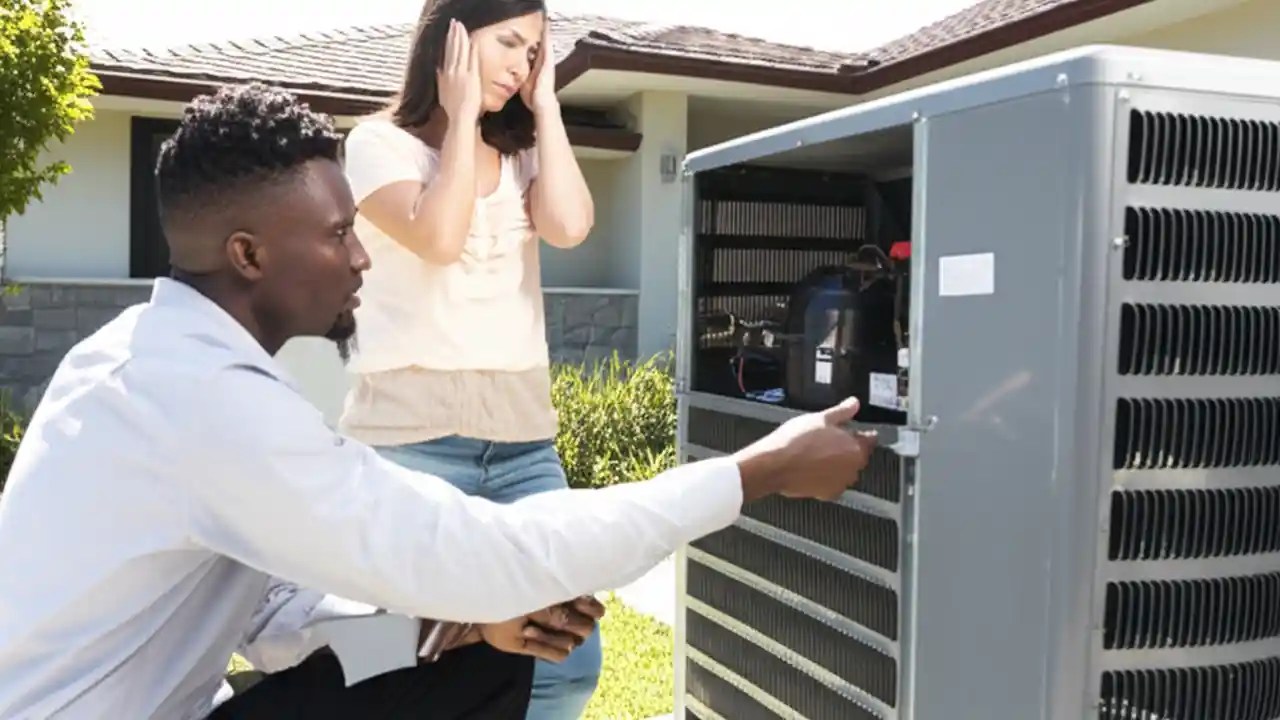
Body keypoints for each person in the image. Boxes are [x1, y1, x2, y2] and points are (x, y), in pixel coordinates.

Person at [0, 83, 878, 720]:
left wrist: (454, 625)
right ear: (248, 254)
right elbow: (492, 551)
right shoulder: (195, 400)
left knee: (468, 662)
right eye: (340, 233)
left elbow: (272, 620)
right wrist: (761, 470)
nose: (362, 258)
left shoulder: (154, 360)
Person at [335, 0, 603, 715]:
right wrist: (458, 122)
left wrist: (545, 108)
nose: (522, 63)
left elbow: (571, 225)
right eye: (509, 42)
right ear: (450, 38)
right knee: (394, 655)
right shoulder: (375, 144)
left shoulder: (520, 151)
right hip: (408, 444)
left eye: (535, 50)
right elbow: (440, 236)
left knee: (566, 660)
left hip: (522, 446)